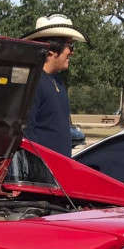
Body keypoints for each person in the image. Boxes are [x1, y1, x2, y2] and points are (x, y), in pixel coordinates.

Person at [20, 14, 86, 157]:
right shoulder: (33, 82)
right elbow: (26, 136)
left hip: (59, 171)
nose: (72, 52)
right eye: (70, 46)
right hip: (41, 174)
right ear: (51, 50)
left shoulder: (58, 81)